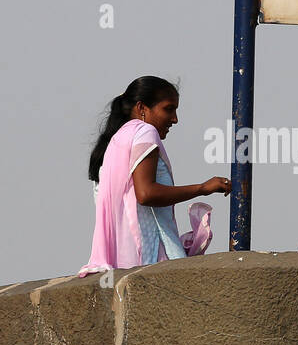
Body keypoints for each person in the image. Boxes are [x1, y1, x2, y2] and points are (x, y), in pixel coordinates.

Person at [80, 76, 230, 275]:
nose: (175, 119)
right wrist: (202, 188)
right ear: (142, 108)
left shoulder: (116, 141)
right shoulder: (144, 131)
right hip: (152, 257)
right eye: (168, 109)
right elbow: (146, 193)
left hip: (124, 261)